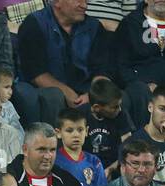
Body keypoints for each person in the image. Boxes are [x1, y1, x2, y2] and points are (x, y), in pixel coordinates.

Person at [16, 0, 112, 128]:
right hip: (44, 90)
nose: (84, 5)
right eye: (78, 0)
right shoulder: (34, 24)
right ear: (57, 2)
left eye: (85, 0)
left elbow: (102, 69)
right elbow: (35, 72)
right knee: (54, 96)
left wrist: (94, 94)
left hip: (87, 91)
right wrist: (67, 92)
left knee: (114, 97)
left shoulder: (94, 27)